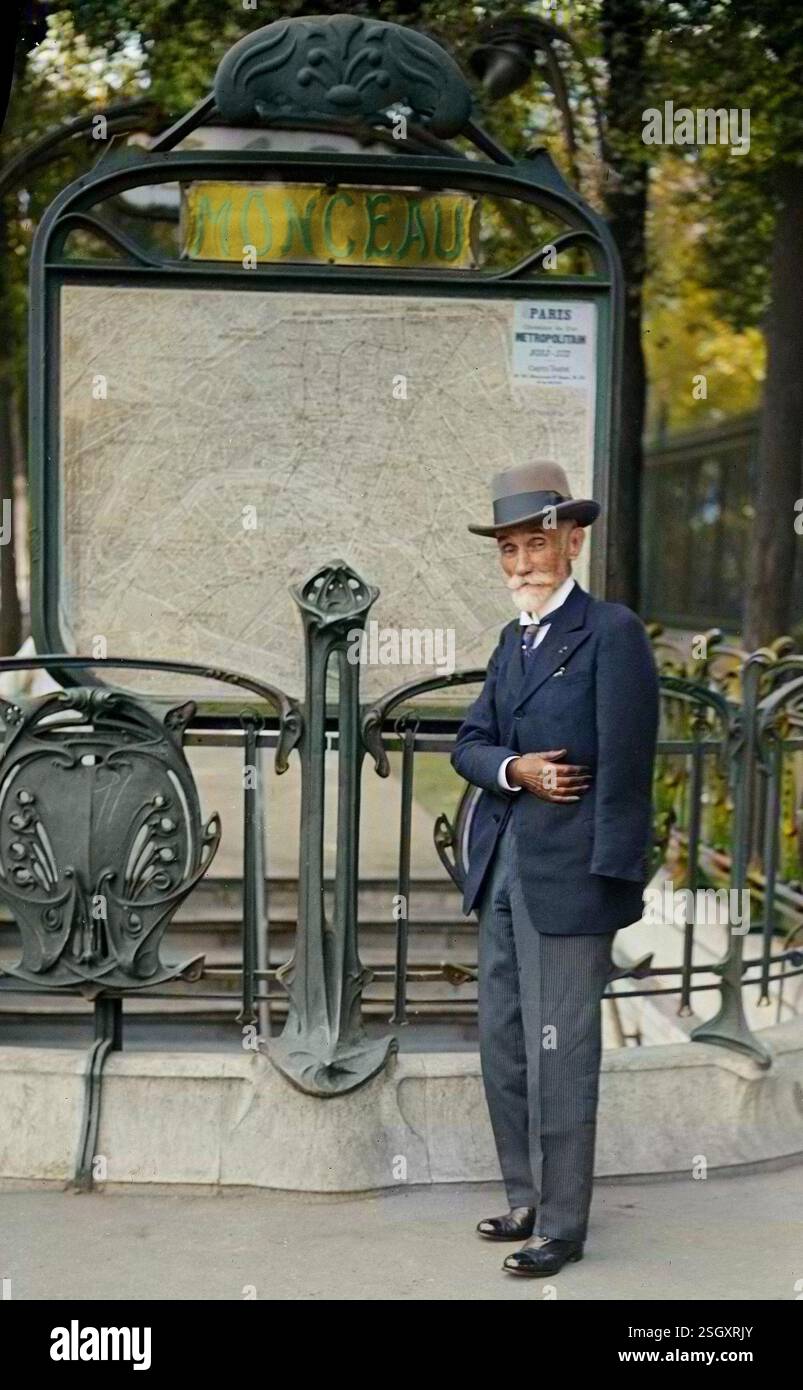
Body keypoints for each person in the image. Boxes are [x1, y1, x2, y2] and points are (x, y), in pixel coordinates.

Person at [451, 460, 660, 1277]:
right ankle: (524, 1196)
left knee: (561, 1051)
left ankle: (563, 1226)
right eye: (506, 551)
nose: (520, 565)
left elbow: (628, 767)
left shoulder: (610, 632)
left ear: (571, 541)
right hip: (502, 869)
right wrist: (516, 770)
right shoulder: (512, 641)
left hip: (573, 880)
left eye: (534, 545)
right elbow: (470, 745)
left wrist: (615, 883)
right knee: (504, 1040)